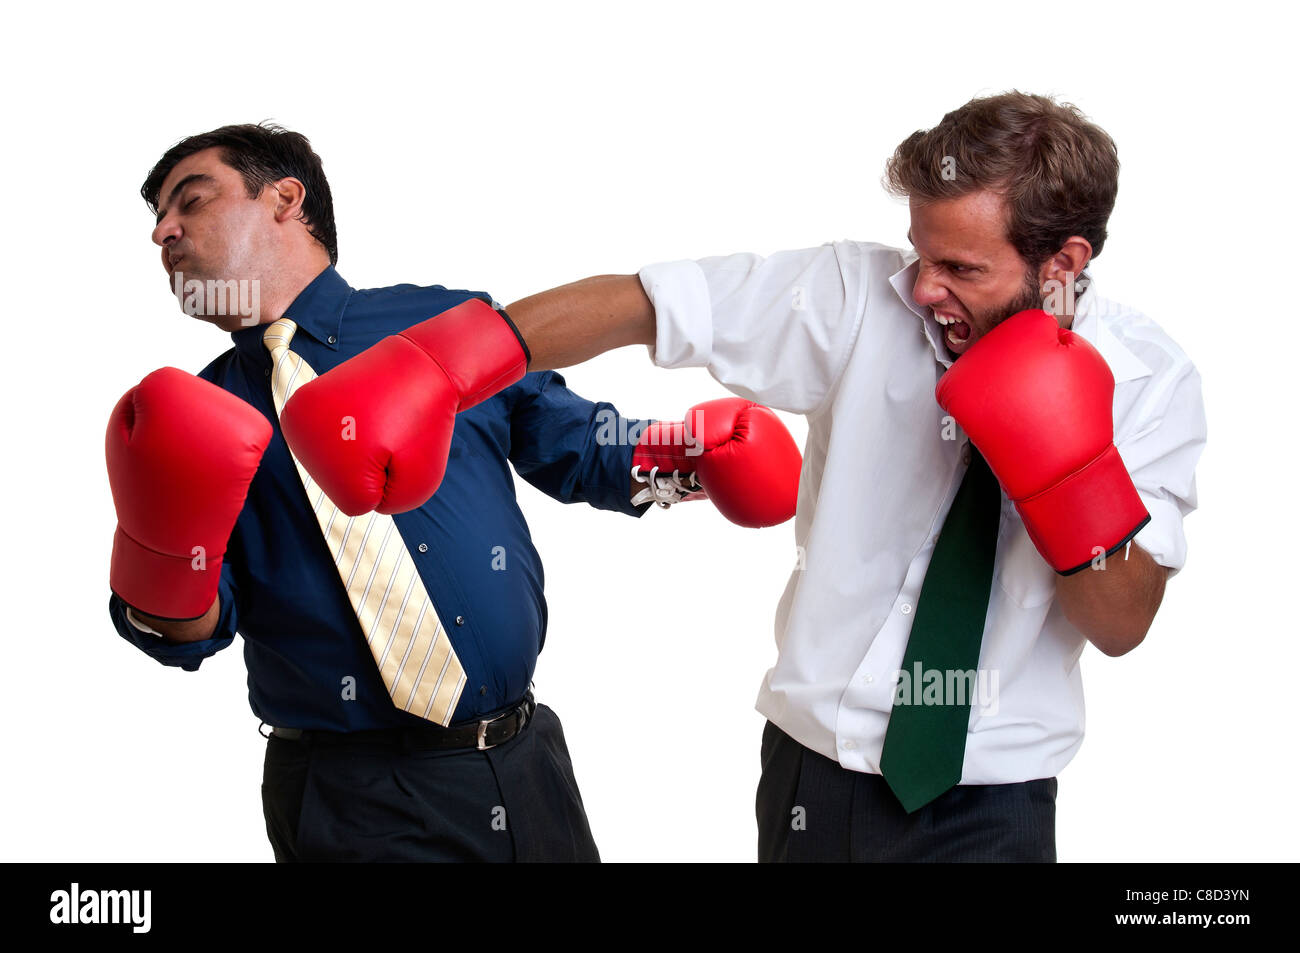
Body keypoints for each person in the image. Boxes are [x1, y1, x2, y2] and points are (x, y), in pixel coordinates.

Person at [283, 91, 1207, 862]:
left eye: (961, 267)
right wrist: (447, 364)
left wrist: (1064, 463)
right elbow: (645, 303)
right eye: (921, 253)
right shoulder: (857, 296)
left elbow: (1121, 622)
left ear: (1064, 263)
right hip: (810, 776)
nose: (926, 286)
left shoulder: (1149, 381)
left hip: (990, 802)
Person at [103, 123, 802, 862]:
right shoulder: (190, 421)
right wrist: (162, 569)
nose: (164, 232)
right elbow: (192, 628)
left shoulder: (438, 327)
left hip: (526, 761)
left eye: (191, 200)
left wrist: (695, 456)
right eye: (156, 219)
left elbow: (576, 446)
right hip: (350, 797)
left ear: (285, 198)